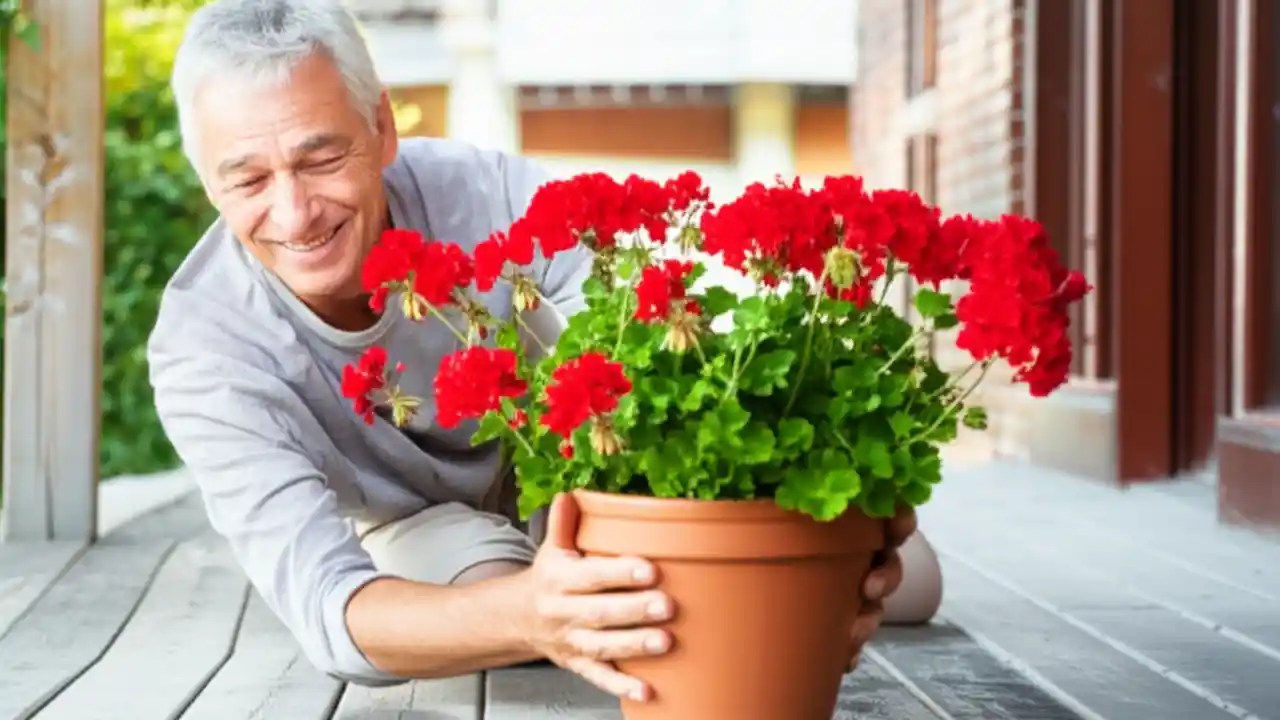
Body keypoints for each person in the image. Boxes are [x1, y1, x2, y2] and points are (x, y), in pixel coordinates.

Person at [148, 0, 943, 703]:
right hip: (422, 528)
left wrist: (820, 551)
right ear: (207, 182)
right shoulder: (204, 348)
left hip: (586, 477)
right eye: (248, 179)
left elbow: (649, 350)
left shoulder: (487, 193)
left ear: (382, 127)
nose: (294, 211)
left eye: (321, 157)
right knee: (504, 594)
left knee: (911, 581)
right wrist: (536, 613)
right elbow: (333, 616)